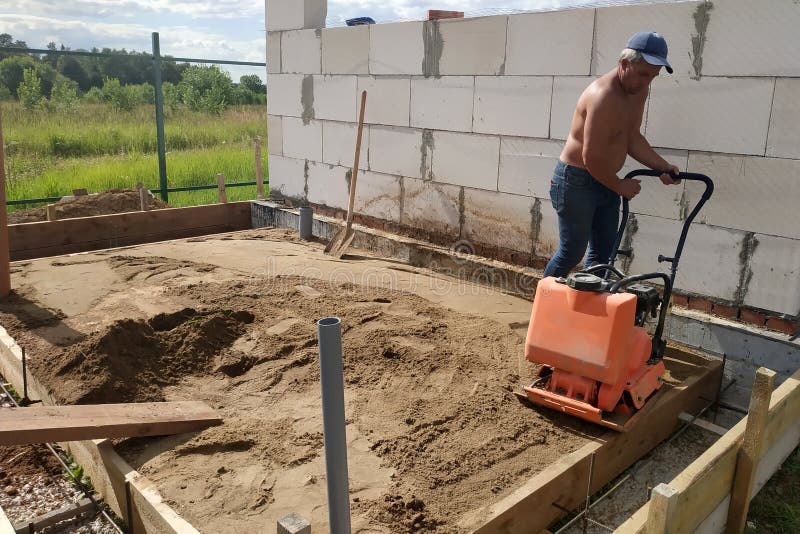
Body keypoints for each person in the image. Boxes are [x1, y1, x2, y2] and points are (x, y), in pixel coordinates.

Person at [543, 31, 682, 279]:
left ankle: (587, 315)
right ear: (624, 64)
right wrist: (619, 185)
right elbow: (591, 157)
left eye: (653, 77)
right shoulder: (602, 96)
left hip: (605, 181)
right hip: (577, 181)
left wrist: (662, 166)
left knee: (601, 258)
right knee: (572, 253)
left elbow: (631, 137)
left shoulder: (637, 92)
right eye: (642, 74)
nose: (646, 82)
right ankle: (543, 312)